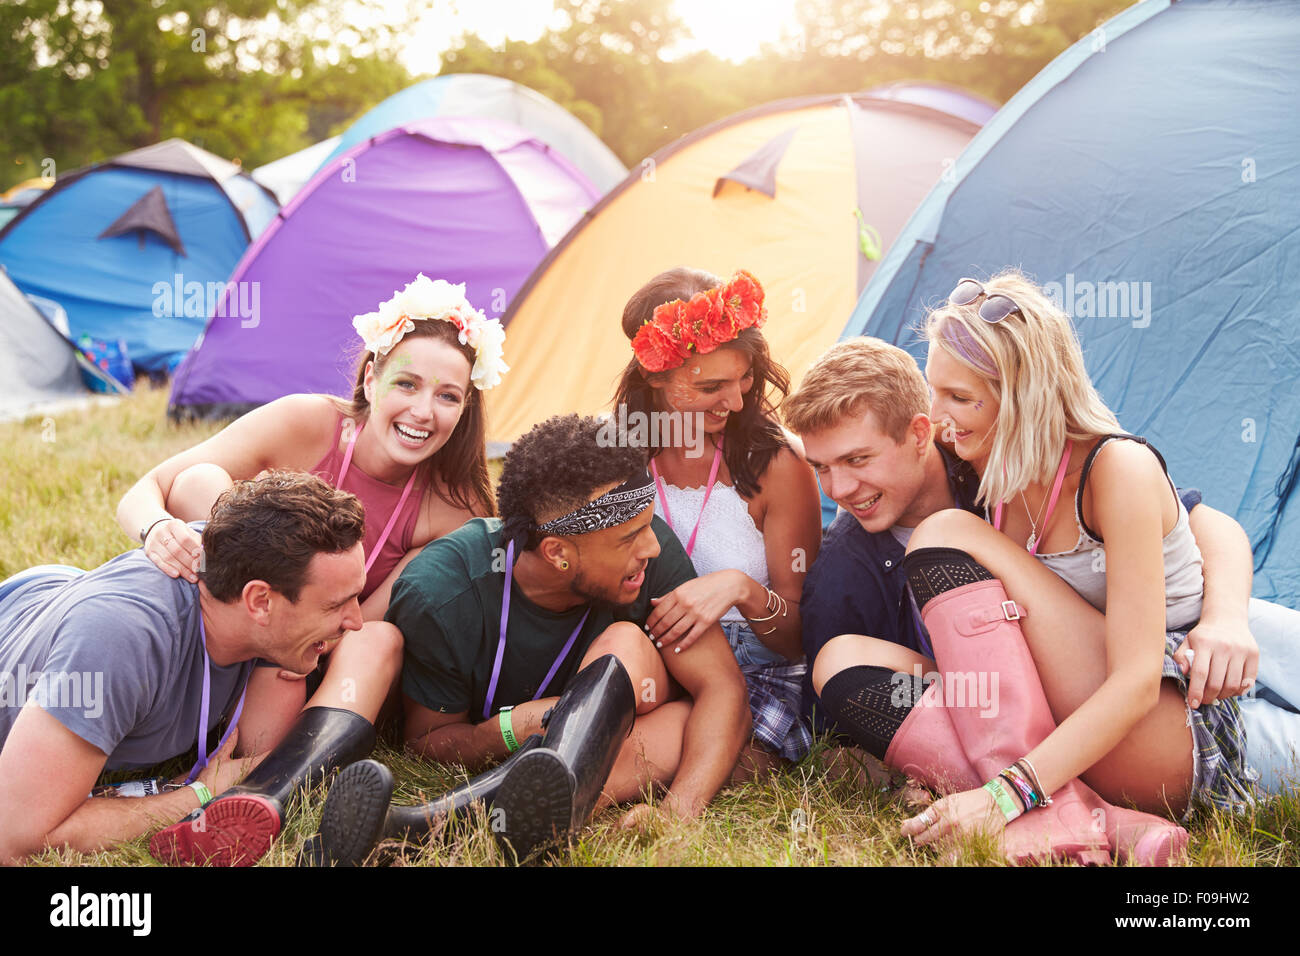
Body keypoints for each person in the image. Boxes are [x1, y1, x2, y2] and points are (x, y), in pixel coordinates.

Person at [783, 332, 1299, 863]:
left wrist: (1226, 616)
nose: (838, 490)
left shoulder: (989, 456)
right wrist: (908, 773)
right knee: (839, 660)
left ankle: (1047, 805)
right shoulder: (845, 572)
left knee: (944, 534)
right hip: (1044, 718)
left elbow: (1196, 523)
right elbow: (836, 733)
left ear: (919, 434)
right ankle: (1094, 819)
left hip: (1157, 653)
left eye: (858, 459)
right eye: (820, 467)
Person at [307, 414, 752, 865]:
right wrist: (512, 727)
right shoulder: (443, 589)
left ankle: (439, 823)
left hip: (641, 715)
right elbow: (428, 741)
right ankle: (529, 818)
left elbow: (721, 687)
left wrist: (680, 809)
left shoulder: (652, 559)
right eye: (629, 538)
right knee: (666, 710)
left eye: (648, 527)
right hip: (586, 742)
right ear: (557, 552)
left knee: (632, 651)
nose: (652, 548)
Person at [116, 274, 504, 749]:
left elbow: (353, 623)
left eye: (448, 396)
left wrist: (296, 641)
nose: (424, 411)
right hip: (231, 624)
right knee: (200, 482)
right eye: (407, 384)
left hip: (315, 661)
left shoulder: (453, 512)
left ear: (465, 408)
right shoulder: (307, 422)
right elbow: (146, 489)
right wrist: (156, 529)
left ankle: (287, 767)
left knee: (378, 638)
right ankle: (190, 704)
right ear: (371, 379)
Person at [0, 472, 401, 866]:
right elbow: (16, 837)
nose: (355, 621)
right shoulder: (117, 642)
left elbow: (258, 759)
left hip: (58, 592)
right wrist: (198, 794)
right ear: (260, 601)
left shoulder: (254, 586)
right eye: (335, 605)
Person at [610, 267, 822, 765]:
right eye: (711, 388)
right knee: (644, 718)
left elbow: (798, 639)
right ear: (655, 374)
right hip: (648, 656)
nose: (737, 399)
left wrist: (740, 588)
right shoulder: (618, 450)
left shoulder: (777, 463)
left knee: (688, 739)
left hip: (756, 668)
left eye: (745, 377)